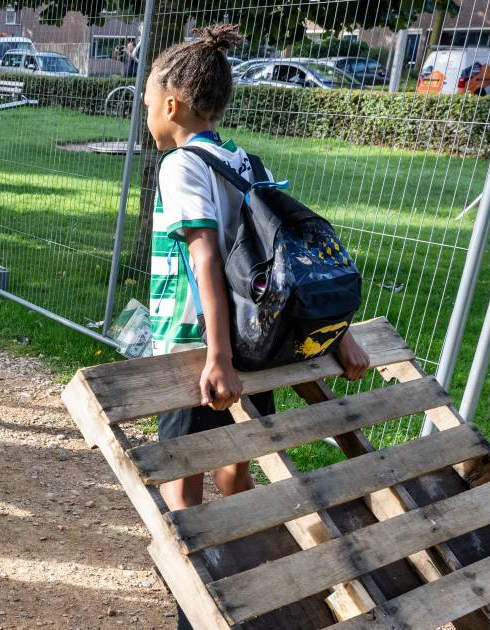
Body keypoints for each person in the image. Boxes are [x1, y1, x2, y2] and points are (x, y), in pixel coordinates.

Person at [140, 24, 370, 629]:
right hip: (258, 341)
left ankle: (202, 596)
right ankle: (251, 569)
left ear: (172, 103)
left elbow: (207, 258)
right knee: (238, 462)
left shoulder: (179, 164)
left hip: (199, 345)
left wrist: (215, 356)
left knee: (182, 481)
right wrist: (333, 330)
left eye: (145, 101)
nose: (145, 113)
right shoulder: (242, 158)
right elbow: (283, 253)